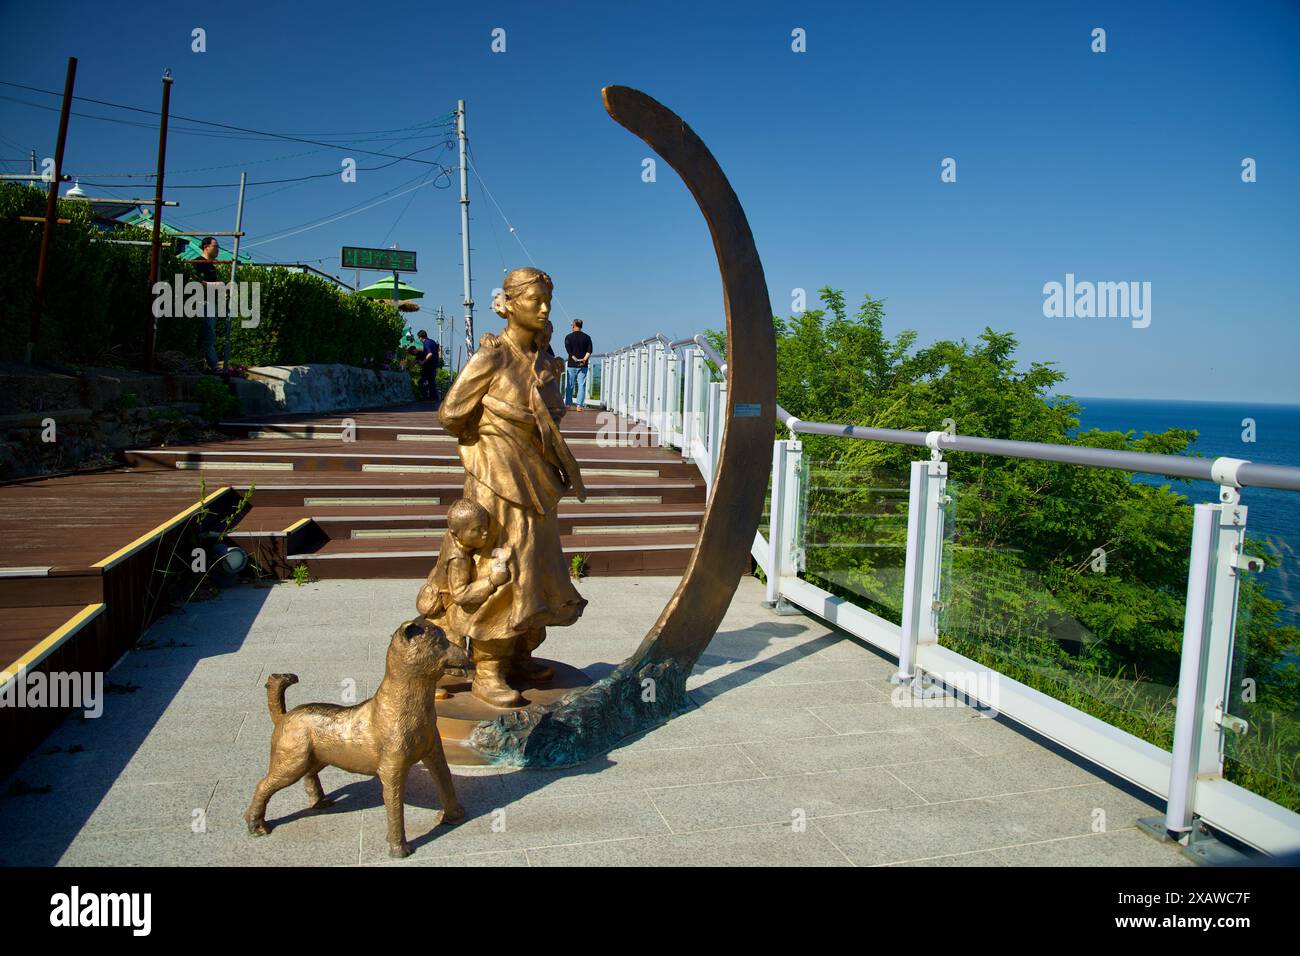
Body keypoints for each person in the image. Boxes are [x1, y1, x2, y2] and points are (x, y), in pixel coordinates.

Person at [435, 266, 587, 708]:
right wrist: (488, 441)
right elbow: (451, 413)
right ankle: (486, 669)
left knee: (535, 564)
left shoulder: (542, 359)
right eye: (534, 300)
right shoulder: (494, 355)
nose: (543, 309)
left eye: (547, 302)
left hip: (537, 475)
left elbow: (552, 415)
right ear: (509, 303)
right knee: (500, 563)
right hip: (496, 478)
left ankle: (519, 653)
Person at [193, 237, 222, 373]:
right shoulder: (199, 262)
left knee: (209, 333)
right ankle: (213, 365)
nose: (218, 249)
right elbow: (195, 280)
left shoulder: (211, 265)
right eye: (215, 246)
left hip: (211, 303)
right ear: (206, 247)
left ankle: (203, 363)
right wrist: (215, 285)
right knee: (208, 334)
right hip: (203, 302)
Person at [563, 319, 593, 410]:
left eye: (572, 324)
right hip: (583, 364)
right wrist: (584, 359)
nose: (571, 326)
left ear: (575, 325)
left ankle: (568, 405)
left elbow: (569, 350)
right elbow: (589, 351)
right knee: (581, 385)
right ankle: (579, 406)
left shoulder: (568, 337)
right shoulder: (587, 337)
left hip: (572, 364)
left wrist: (574, 358)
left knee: (570, 385)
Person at [417, 329, 440, 404]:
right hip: (434, 365)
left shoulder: (426, 343)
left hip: (428, 366)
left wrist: (423, 362)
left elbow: (430, 354)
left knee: (421, 381)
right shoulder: (432, 341)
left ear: (421, 337)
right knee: (431, 382)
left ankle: (426, 398)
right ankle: (434, 398)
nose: (419, 339)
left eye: (418, 337)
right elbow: (437, 350)